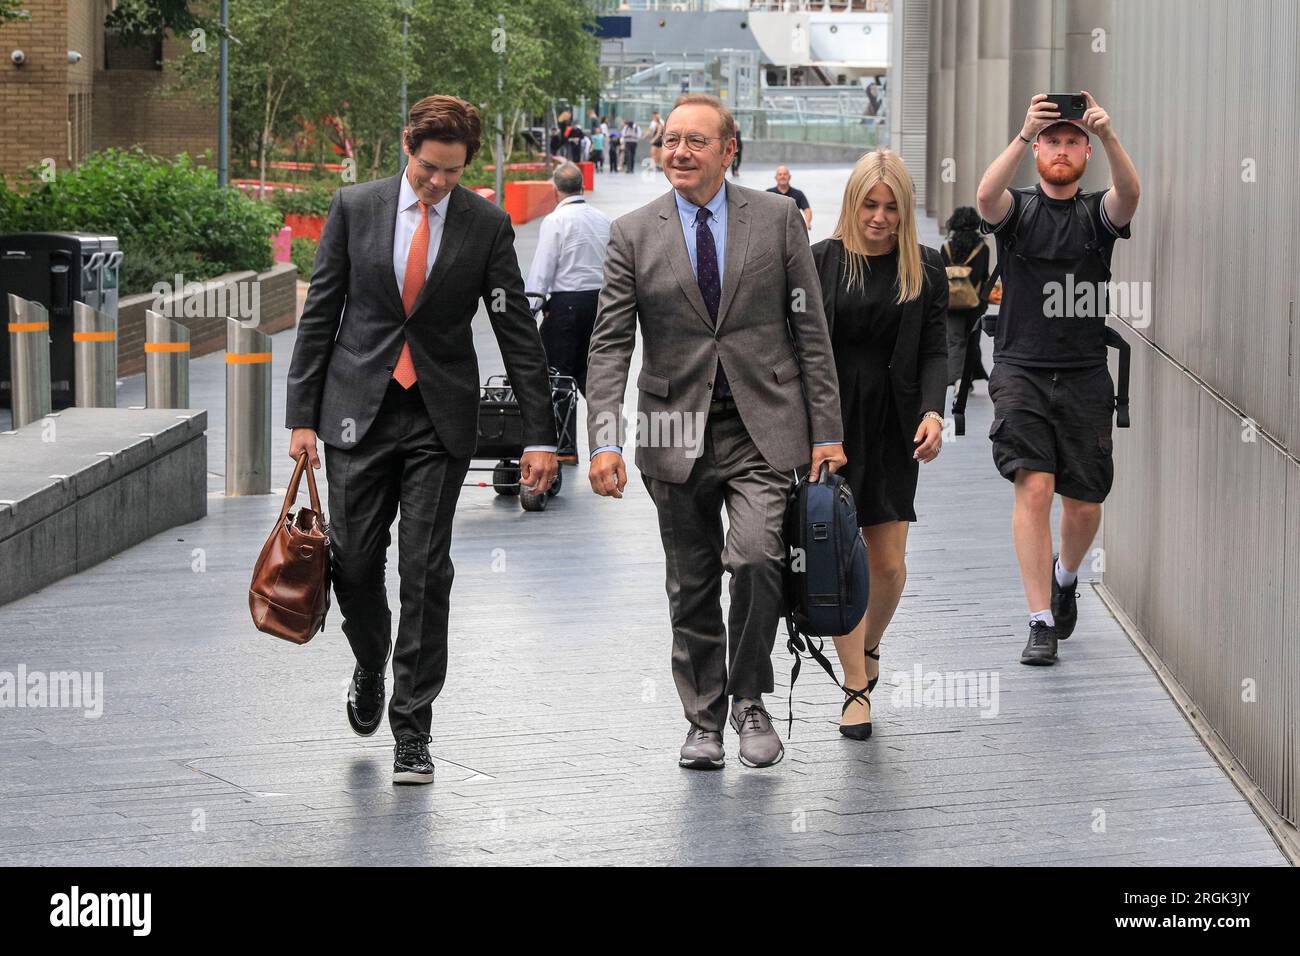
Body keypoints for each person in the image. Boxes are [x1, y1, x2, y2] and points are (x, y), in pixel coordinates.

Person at [285, 95, 558, 785]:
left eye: (452, 173)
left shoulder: (486, 225)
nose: (438, 184)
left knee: (426, 571)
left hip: (438, 420)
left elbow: (515, 333)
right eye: (428, 168)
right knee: (351, 564)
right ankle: (371, 656)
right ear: (407, 146)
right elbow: (321, 315)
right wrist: (301, 419)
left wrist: (540, 436)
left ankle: (413, 729)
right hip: (356, 413)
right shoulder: (356, 208)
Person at [586, 93, 846, 771]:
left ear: (730, 150)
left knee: (758, 559)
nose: (678, 152)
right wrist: (605, 440)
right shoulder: (632, 233)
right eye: (670, 140)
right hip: (672, 432)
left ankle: (749, 699)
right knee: (691, 582)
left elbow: (810, 333)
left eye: (695, 141)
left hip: (764, 427)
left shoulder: (779, 219)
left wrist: (827, 431)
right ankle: (702, 721)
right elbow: (610, 346)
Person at [975, 91, 1140, 666]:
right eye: (1054, 141)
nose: (1062, 150)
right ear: (1040, 150)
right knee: (1035, 487)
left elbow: (1131, 196)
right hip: (1019, 367)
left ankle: (1066, 578)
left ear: (1086, 154)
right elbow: (984, 196)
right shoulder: (1016, 211)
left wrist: (1110, 133)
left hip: (1085, 374)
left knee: (1085, 503)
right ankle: (1040, 619)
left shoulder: (1098, 214)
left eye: (1074, 142)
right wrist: (1022, 132)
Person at [811, 149, 948, 740]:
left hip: (894, 427)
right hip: (831, 429)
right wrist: (814, 430)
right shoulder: (819, 264)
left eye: (892, 206)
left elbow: (937, 349)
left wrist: (934, 410)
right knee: (841, 560)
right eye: (870, 203)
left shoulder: (926, 267)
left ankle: (866, 651)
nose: (880, 216)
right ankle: (855, 687)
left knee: (887, 564)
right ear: (852, 201)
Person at [525, 163, 611, 460]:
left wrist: (531, 308)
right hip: (601, 303)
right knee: (593, 375)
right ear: (582, 187)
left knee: (559, 375)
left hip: (566, 305)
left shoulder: (556, 220)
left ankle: (565, 448)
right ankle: (607, 444)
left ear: (555, 190)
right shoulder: (602, 219)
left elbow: (543, 268)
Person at [939, 206, 991, 389]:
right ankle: (967, 378)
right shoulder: (982, 249)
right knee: (972, 341)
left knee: (954, 340)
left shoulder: (946, 248)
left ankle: (959, 379)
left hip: (951, 304)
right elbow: (984, 276)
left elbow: (940, 276)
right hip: (974, 303)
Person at [766, 165, 812, 231]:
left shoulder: (798, 194)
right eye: (780, 174)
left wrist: (807, 222)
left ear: (789, 177)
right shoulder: (769, 193)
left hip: (793, 228)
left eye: (785, 174)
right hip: (774, 228)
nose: (782, 176)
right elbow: (762, 212)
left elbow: (807, 210)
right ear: (776, 178)